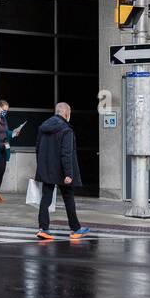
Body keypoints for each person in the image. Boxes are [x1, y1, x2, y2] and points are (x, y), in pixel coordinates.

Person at [33, 101, 90, 241]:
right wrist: (69, 174)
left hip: (47, 169)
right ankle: (75, 229)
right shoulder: (66, 130)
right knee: (69, 199)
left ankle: (43, 229)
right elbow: (66, 153)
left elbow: (38, 148)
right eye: (69, 113)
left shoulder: (43, 127)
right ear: (66, 113)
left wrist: (41, 167)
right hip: (62, 172)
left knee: (45, 199)